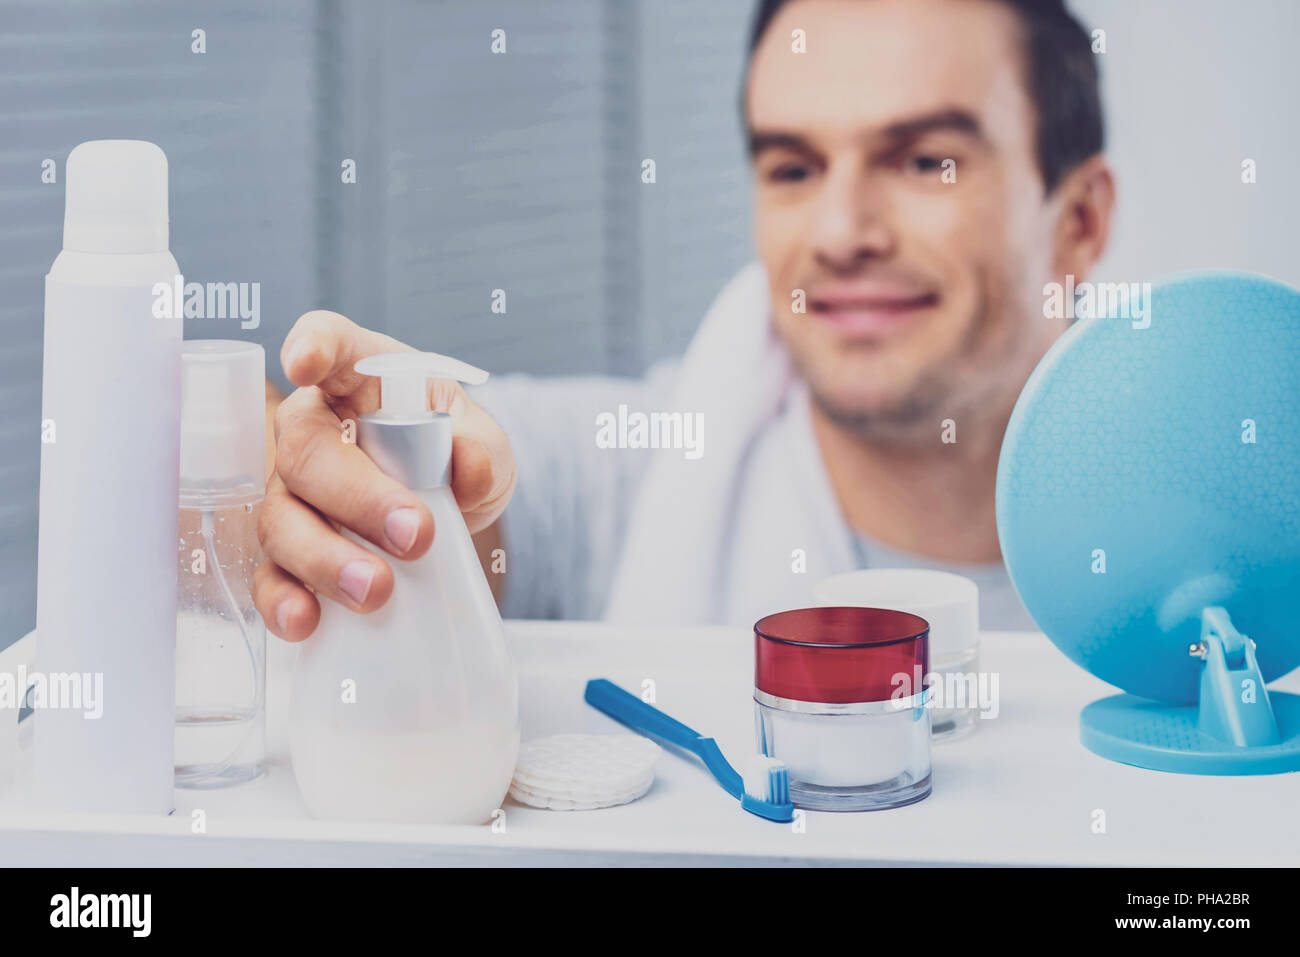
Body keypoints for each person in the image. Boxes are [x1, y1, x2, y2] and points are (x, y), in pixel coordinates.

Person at [252, 0, 1114, 640]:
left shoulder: (1221, 574)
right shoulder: (642, 477)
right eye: (792, 168)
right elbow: (390, 485)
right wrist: (324, 467)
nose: (843, 233)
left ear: (1079, 221)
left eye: (927, 161)